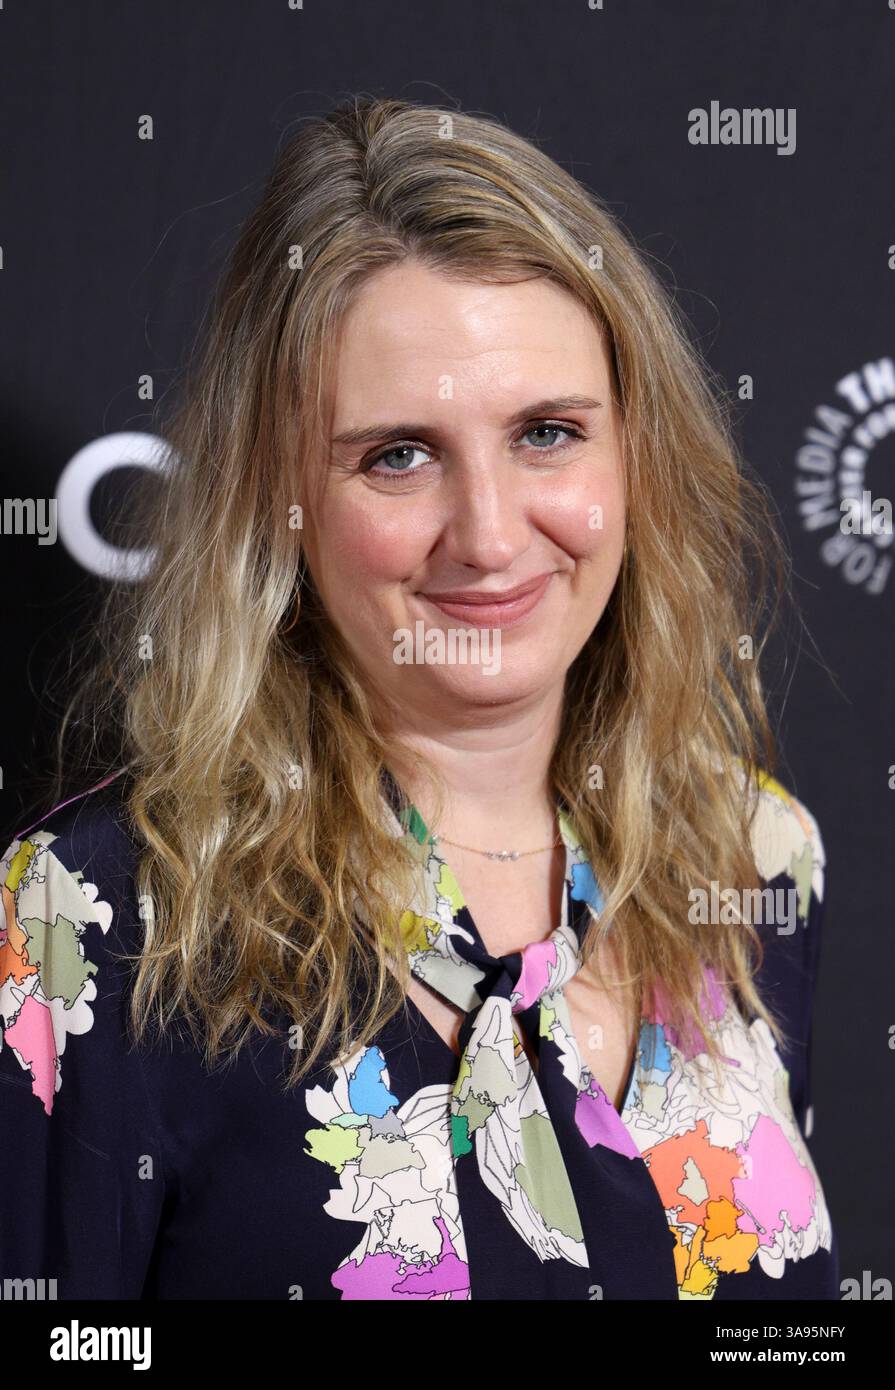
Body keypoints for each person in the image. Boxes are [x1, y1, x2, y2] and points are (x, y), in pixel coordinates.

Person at [0, 95, 836, 1300]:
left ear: (635, 457)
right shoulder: (88, 919)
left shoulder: (756, 855)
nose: (490, 537)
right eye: (397, 454)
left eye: (547, 433)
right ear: (277, 496)